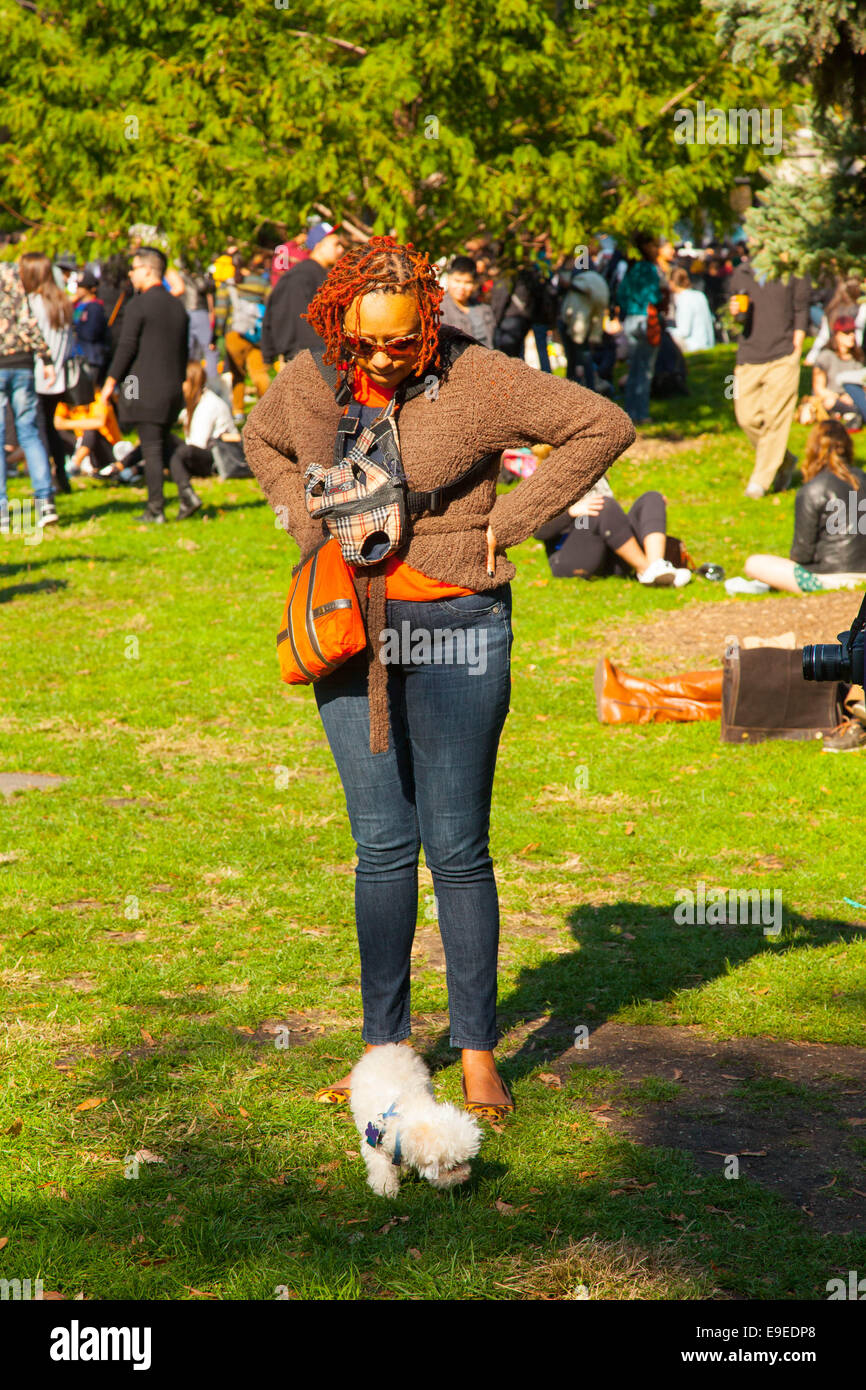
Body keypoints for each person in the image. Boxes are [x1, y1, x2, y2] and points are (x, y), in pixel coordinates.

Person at [243, 235, 635, 1119]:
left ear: (428, 320)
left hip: (458, 626)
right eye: (366, 340)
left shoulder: (478, 377)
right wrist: (302, 514)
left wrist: (517, 518)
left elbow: (602, 424)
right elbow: (260, 441)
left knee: (457, 848)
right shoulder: (310, 381)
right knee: (381, 846)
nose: (382, 355)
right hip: (350, 630)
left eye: (400, 338)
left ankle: (476, 1051)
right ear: (338, 322)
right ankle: (386, 1050)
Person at [99, 246, 189, 523]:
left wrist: (110, 383)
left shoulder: (138, 305)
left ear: (148, 270)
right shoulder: (178, 306)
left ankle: (155, 509)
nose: (131, 273)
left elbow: (126, 347)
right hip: (173, 388)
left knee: (150, 450)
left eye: (135, 268)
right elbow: (184, 351)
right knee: (162, 443)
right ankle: (187, 496)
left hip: (146, 389)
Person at [740, 421, 866, 615]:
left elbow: (802, 553)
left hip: (829, 576)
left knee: (754, 563)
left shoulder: (812, 489)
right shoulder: (863, 478)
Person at [728, 248, 811, 498]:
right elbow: (740, 317)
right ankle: (783, 461)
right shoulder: (741, 272)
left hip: (783, 355)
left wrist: (797, 347)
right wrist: (735, 313)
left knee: (775, 418)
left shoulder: (792, 270)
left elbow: (801, 309)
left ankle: (760, 482)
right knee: (746, 417)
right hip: (748, 356)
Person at [533, 476, 691, 585]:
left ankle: (657, 565)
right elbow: (538, 531)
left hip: (607, 554)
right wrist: (571, 512)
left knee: (652, 498)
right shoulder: (550, 478)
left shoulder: (598, 473)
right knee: (604, 506)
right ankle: (646, 570)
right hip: (568, 553)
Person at [0, 258, 58, 528]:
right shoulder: (12, 273)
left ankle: (2, 509)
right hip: (22, 362)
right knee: (29, 432)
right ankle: (45, 501)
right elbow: (26, 320)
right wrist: (45, 358)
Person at [20, 251, 79, 495]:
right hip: (59, 375)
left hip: (37, 373)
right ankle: (61, 476)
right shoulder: (62, 303)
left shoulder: (33, 304)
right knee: (49, 427)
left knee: (37, 430)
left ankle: (45, 480)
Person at [259, 222, 346, 367]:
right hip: (307, 360)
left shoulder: (319, 274)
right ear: (319, 245)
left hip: (318, 356)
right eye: (336, 244)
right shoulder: (302, 275)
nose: (341, 249)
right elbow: (293, 316)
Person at [168, 360, 241, 518]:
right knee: (161, 438)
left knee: (179, 452)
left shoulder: (209, 405)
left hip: (218, 459)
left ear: (190, 382)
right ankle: (125, 468)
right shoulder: (197, 400)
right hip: (205, 451)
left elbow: (197, 444)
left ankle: (188, 497)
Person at [213, 254, 271, 424]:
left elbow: (221, 310)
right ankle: (268, 408)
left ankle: (238, 411)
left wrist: (218, 333)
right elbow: (270, 304)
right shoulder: (261, 282)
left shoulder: (229, 283)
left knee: (238, 374)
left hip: (235, 334)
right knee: (259, 372)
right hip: (257, 334)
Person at [615, 233, 664, 424]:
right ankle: (642, 414)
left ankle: (629, 412)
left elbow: (621, 295)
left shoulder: (631, 269)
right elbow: (655, 297)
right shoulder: (650, 269)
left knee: (634, 368)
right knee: (645, 370)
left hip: (631, 320)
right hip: (647, 320)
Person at [811, 316, 866, 424]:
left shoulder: (858, 357)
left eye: (853, 332)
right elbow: (818, 388)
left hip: (853, 397)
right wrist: (839, 397)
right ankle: (855, 414)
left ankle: (855, 414)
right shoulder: (825, 356)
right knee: (829, 402)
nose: (851, 336)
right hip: (831, 398)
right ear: (837, 335)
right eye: (846, 333)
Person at [438, 255, 495, 347]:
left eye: (467, 282)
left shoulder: (484, 310)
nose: (461, 287)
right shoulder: (439, 309)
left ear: (474, 283)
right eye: (457, 281)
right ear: (448, 278)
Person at [669, 267, 715, 352]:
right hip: (708, 344)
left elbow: (684, 331)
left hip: (694, 347)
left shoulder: (684, 299)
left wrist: (667, 331)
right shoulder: (700, 295)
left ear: (672, 283)